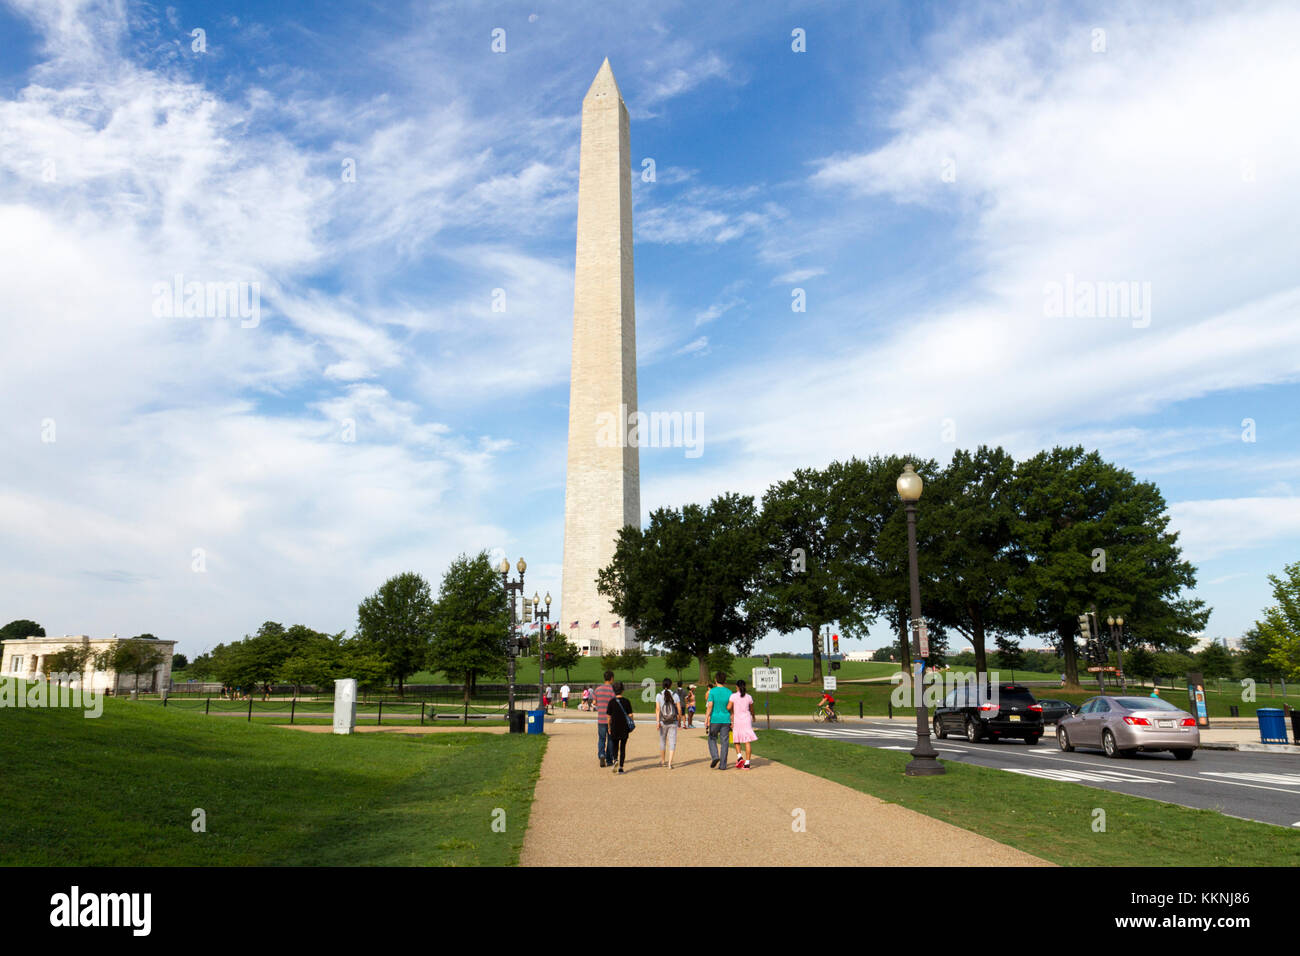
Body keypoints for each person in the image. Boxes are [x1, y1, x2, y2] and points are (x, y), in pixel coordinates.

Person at [705, 673, 732, 770]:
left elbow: (710, 706)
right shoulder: (729, 692)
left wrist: (707, 718)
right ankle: (723, 765)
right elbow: (731, 707)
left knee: (712, 738)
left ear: (716, 680)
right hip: (726, 719)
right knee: (725, 741)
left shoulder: (712, 691)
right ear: (725, 680)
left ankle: (715, 756)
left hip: (715, 718)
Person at [728, 677, 757, 769]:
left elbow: (729, 707)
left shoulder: (733, 696)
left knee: (736, 739)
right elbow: (752, 709)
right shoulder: (749, 697)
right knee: (747, 741)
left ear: (737, 687)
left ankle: (739, 756)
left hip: (737, 719)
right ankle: (747, 762)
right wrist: (753, 716)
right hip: (746, 719)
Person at [606, 681, 634, 773]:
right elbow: (630, 715)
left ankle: (615, 760)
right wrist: (631, 724)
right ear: (622, 690)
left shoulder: (611, 702)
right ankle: (621, 767)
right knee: (623, 748)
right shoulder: (627, 701)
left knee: (615, 746)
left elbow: (609, 717)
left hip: (614, 726)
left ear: (614, 690)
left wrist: (609, 727)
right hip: (624, 727)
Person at [656, 677, 681, 769]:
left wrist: (657, 721)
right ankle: (670, 763)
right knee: (672, 742)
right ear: (671, 685)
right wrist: (679, 720)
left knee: (662, 741)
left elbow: (658, 709)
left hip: (663, 721)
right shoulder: (675, 695)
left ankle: (663, 761)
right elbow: (679, 709)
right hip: (673, 721)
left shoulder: (659, 695)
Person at [593, 671, 617, 767]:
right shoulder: (612, 690)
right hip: (610, 719)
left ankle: (601, 754)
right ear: (611, 678)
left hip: (601, 718)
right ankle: (609, 759)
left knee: (601, 739)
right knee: (611, 739)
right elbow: (615, 702)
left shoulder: (598, 689)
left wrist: (601, 704)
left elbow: (594, 702)